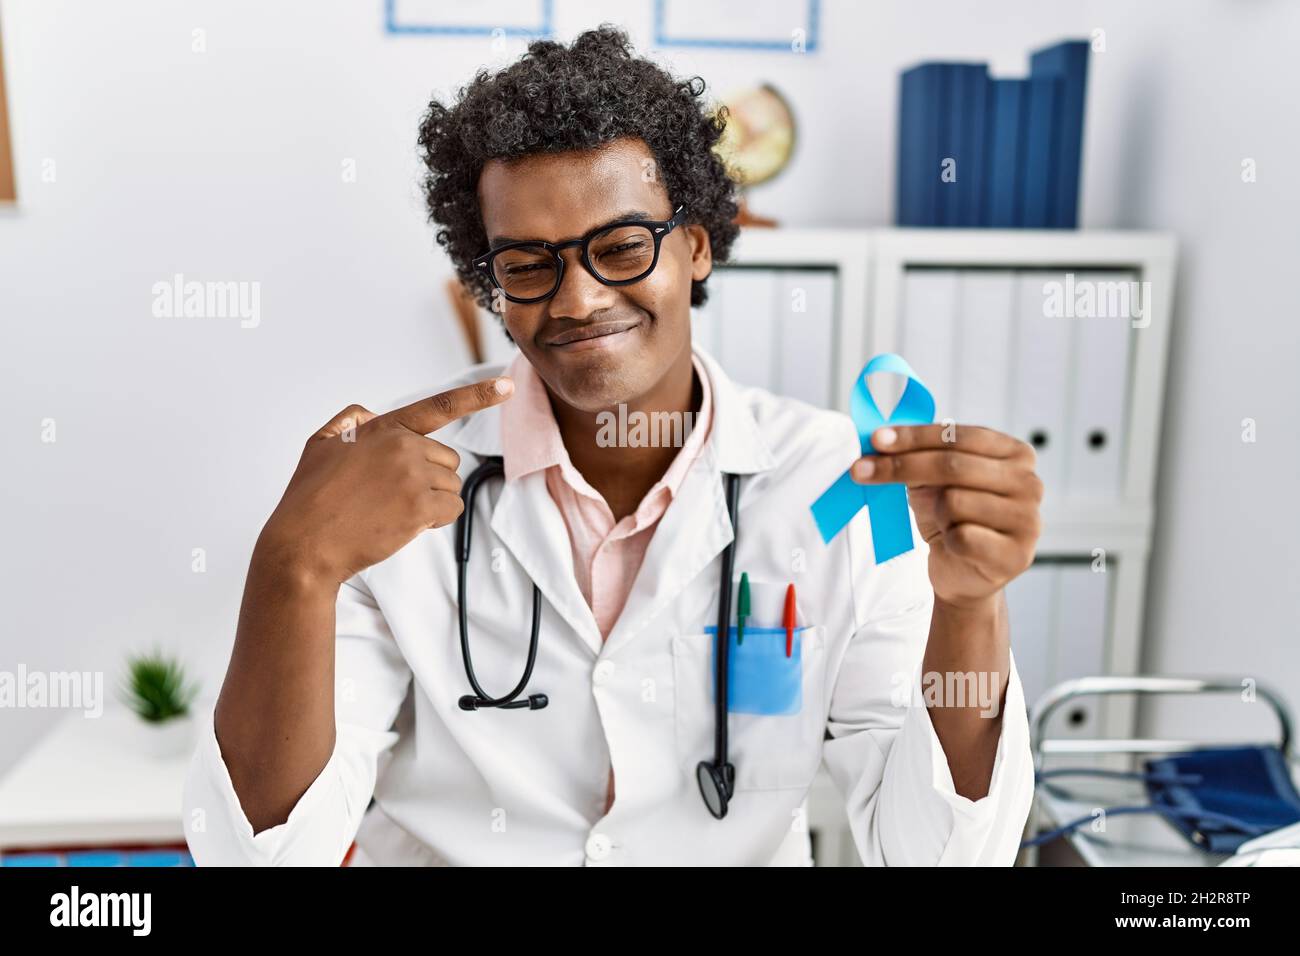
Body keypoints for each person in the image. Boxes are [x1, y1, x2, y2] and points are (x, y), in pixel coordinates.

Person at [183, 26, 1043, 866]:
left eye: (623, 248)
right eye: (527, 264)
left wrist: (970, 604)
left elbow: (941, 856)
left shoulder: (838, 484)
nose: (578, 299)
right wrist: (291, 562)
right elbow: (253, 856)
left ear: (697, 245)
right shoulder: (393, 486)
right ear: (491, 283)